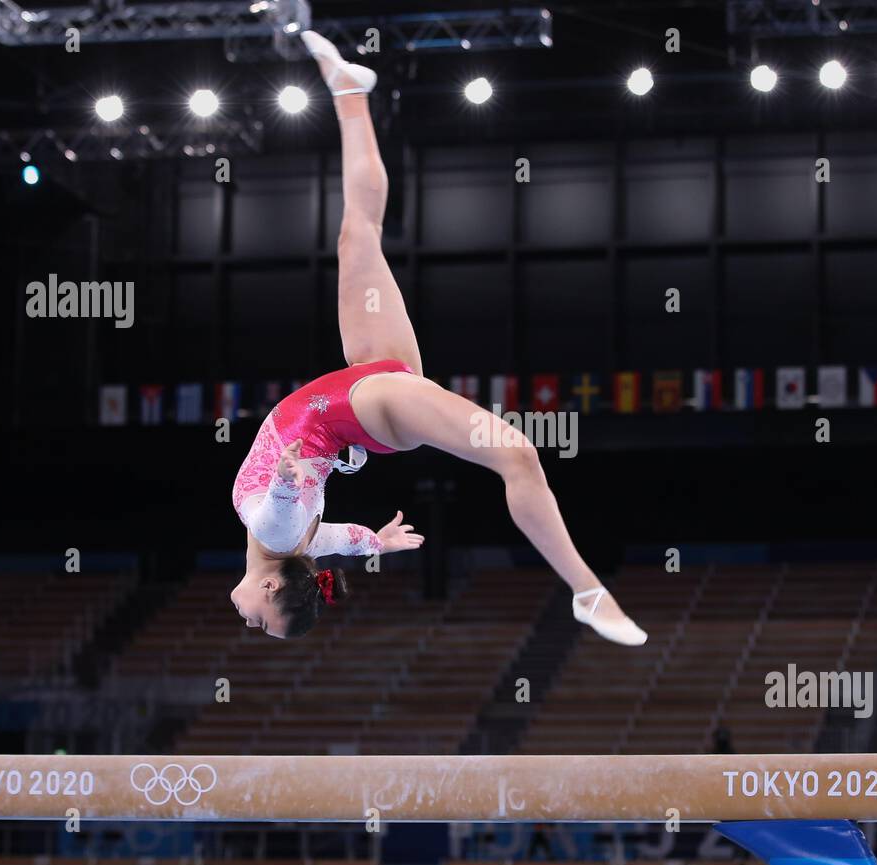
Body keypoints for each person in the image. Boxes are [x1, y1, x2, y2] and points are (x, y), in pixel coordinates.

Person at [228, 31, 647, 647]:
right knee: (518, 455)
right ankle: (587, 591)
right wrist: (298, 476)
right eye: (261, 623)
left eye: (258, 627)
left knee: (359, 234)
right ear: (270, 588)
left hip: (361, 387)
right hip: (366, 407)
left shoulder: (286, 539)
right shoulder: (278, 531)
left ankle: (350, 93)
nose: (248, 622)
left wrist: (378, 542)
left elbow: (335, 537)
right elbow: (291, 506)